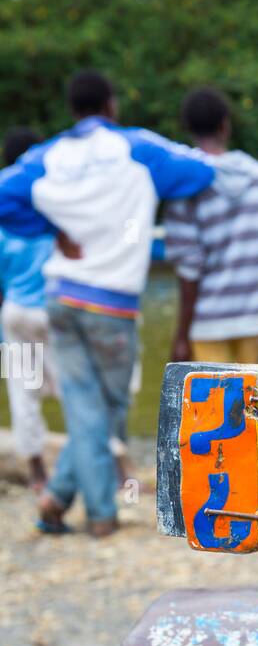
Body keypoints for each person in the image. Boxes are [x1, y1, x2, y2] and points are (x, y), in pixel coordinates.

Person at [0, 69, 219, 537]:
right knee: (106, 412)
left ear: (72, 109)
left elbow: (5, 194)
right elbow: (201, 169)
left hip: (60, 296)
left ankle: (57, 499)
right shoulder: (136, 148)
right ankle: (100, 515)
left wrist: (51, 228)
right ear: (112, 105)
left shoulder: (47, 156)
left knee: (83, 408)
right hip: (111, 303)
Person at [164, 87, 258, 364]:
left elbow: (189, 268)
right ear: (226, 125)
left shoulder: (185, 187)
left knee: (213, 406)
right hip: (255, 319)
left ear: (188, 128)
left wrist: (181, 335)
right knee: (255, 404)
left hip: (206, 324)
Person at [0, 128, 57, 489]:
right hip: (56, 311)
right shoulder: (52, 205)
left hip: (16, 313)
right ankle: (115, 470)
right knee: (82, 392)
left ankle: (37, 474)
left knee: (24, 393)